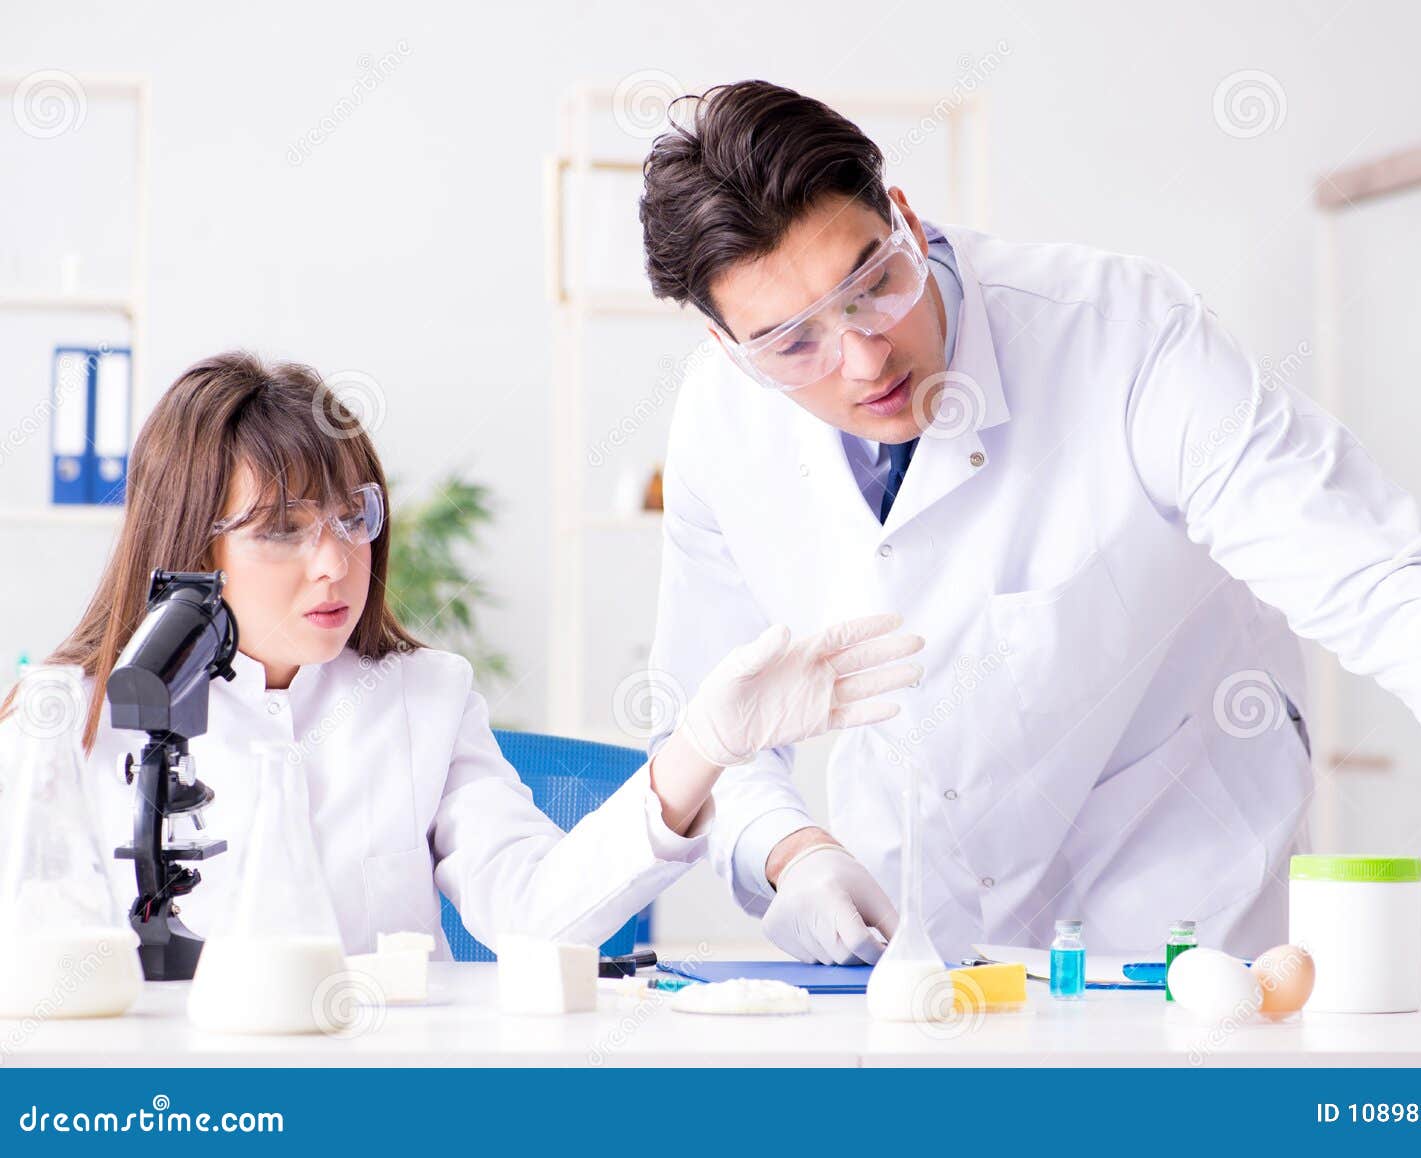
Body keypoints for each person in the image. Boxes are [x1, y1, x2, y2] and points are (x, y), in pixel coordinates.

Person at [637, 80, 1421, 962]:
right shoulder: (722, 425)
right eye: (793, 341)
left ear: (906, 220)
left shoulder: (1121, 334)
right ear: (728, 349)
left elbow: (1367, 570)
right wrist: (789, 851)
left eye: (875, 285)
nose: (861, 358)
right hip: (910, 926)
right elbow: (712, 725)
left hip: (1178, 905)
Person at [1, 351, 922, 956]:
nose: (334, 564)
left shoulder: (422, 696)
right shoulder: (65, 716)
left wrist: (703, 748)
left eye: (350, 518)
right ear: (188, 550)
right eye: (282, 530)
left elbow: (535, 915)